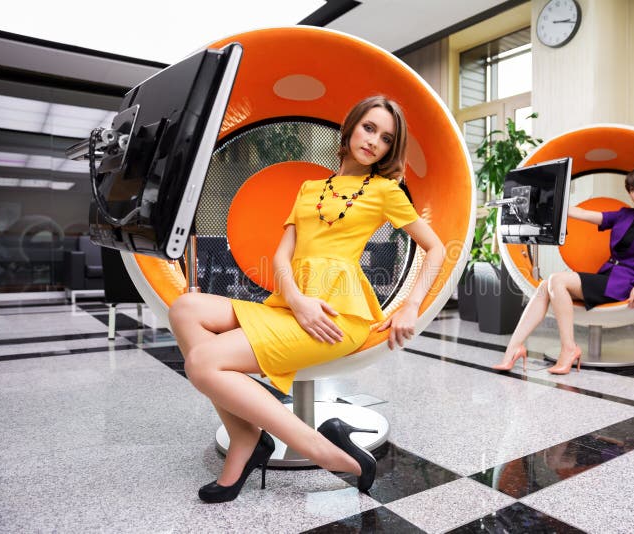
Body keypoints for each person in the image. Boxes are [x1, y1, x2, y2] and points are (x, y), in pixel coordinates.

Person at [169, 95, 445, 502]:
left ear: (389, 150)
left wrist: (411, 305)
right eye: (369, 128)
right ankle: (247, 435)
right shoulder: (310, 188)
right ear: (350, 129)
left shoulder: (386, 191)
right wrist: (296, 300)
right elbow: (282, 256)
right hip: (293, 306)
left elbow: (436, 248)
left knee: (203, 362)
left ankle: (325, 452)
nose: (374, 142)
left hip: (337, 313)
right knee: (184, 308)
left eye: (386, 138)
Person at [492, 164, 634, 374]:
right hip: (606, 275)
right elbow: (584, 214)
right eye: (633, 189)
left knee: (556, 280)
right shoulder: (624, 215)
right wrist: (550, 203)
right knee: (545, 286)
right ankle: (513, 349)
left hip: (625, 283)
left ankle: (569, 348)